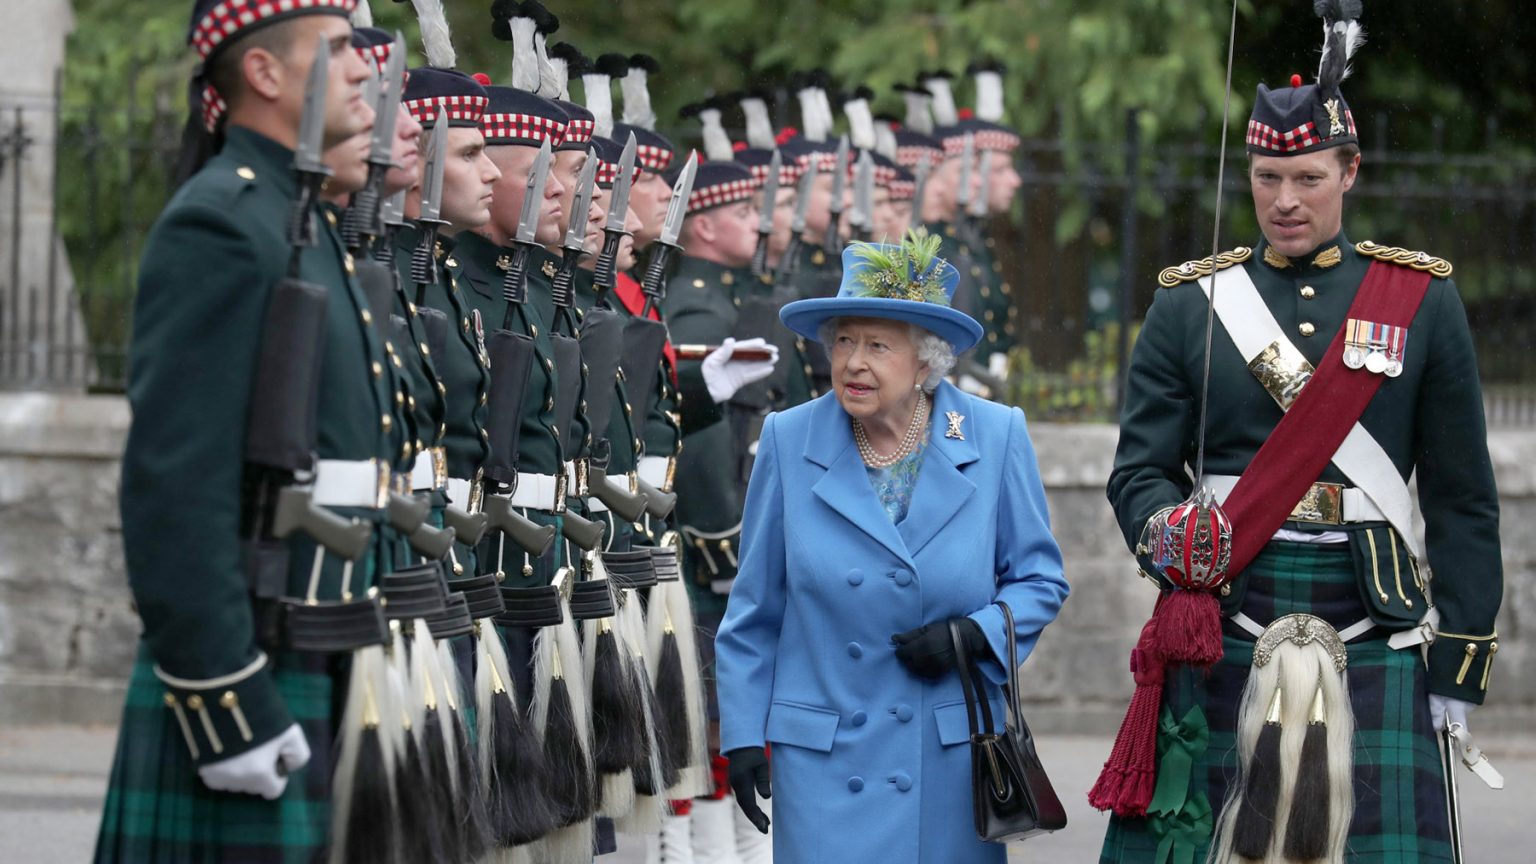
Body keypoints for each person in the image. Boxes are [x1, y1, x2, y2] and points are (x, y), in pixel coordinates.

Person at [1099, 3, 1500, 862]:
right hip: (1228, 607)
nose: (1285, 200)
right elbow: (1138, 472)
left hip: (1376, 617)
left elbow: (1462, 497)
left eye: (1308, 178)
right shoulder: (1188, 304)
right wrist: (1171, 533)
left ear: (1349, 171)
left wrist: (1462, 655)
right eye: (1267, 178)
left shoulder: (1422, 301)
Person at [94, 1, 392, 860]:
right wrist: (222, 694)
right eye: (338, 50)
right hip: (257, 653)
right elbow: (176, 483)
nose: (362, 68)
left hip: (328, 632)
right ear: (263, 73)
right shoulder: (222, 219)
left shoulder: (304, 219)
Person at [715, 233, 1070, 863]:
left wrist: (976, 635)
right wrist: (742, 735)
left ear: (926, 362)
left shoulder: (994, 435)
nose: (854, 362)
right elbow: (754, 612)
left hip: (948, 762)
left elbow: (1040, 581)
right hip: (825, 764)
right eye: (844, 341)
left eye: (878, 345)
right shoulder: (788, 439)